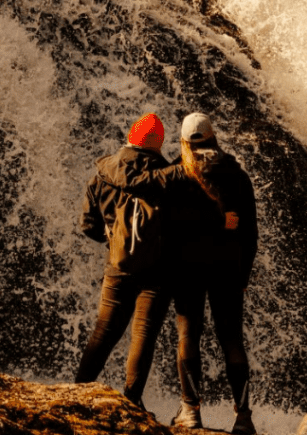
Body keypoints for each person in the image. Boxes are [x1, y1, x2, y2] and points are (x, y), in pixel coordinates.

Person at [74, 112, 180, 408]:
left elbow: (87, 225)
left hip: (118, 265)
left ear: (131, 138)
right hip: (158, 269)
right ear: (158, 145)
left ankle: (79, 391)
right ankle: (133, 399)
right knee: (144, 332)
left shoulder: (103, 174)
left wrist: (114, 241)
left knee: (104, 330)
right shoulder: (169, 177)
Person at [169, 112, 258, 435]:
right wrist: (244, 275)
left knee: (188, 335)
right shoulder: (237, 175)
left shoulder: (177, 174)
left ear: (183, 142)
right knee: (232, 339)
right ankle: (244, 416)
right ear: (213, 136)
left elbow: (170, 224)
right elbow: (250, 233)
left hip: (187, 268)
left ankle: (191, 411)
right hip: (228, 269)